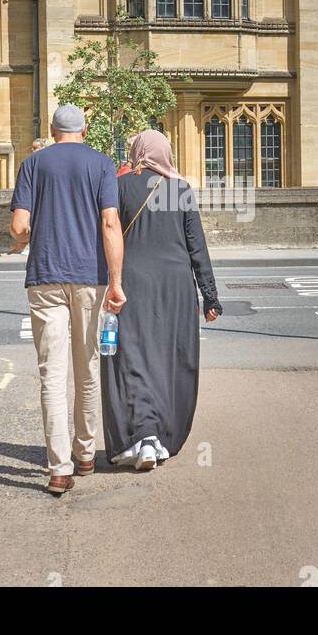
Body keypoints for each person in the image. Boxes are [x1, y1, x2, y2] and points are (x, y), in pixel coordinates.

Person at [10, 104, 125, 496]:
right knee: (87, 365)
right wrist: (116, 280)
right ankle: (86, 453)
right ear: (85, 129)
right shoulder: (102, 164)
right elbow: (110, 222)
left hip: (45, 275)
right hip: (89, 277)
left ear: (53, 130)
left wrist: (25, 240)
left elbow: (20, 225)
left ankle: (59, 468)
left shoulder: (33, 164)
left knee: (51, 373)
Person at [102, 130, 222, 472]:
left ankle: (143, 438)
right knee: (169, 361)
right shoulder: (179, 189)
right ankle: (160, 438)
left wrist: (108, 282)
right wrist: (210, 297)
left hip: (133, 283)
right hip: (176, 288)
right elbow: (197, 247)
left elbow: (108, 235)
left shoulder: (120, 186)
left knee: (135, 359)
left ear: (137, 152)